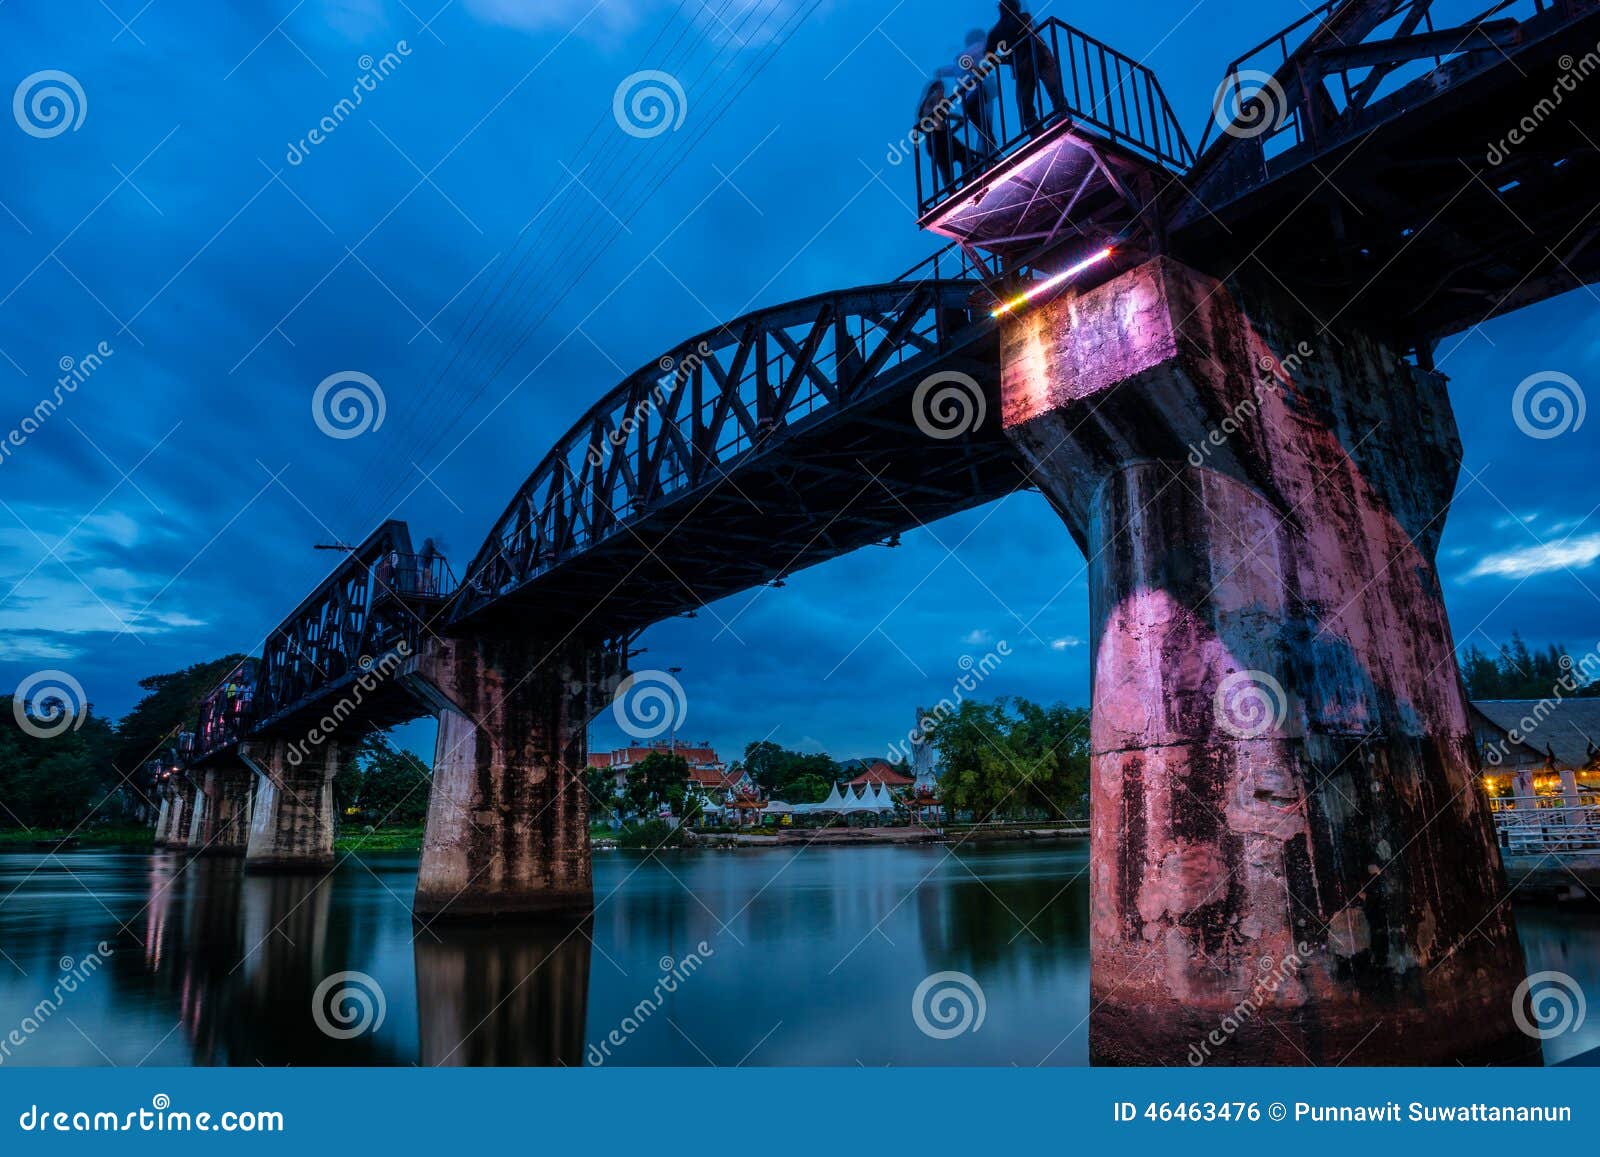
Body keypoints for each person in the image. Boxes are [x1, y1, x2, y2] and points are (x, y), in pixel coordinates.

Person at [915, 79, 969, 189]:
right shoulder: (931, 102)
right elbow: (934, 119)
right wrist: (954, 121)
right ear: (934, 90)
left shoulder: (938, 102)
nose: (942, 91)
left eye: (942, 89)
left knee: (964, 159)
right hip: (937, 138)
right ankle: (958, 191)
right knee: (948, 169)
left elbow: (940, 118)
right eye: (940, 88)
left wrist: (954, 123)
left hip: (942, 137)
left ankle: (966, 187)